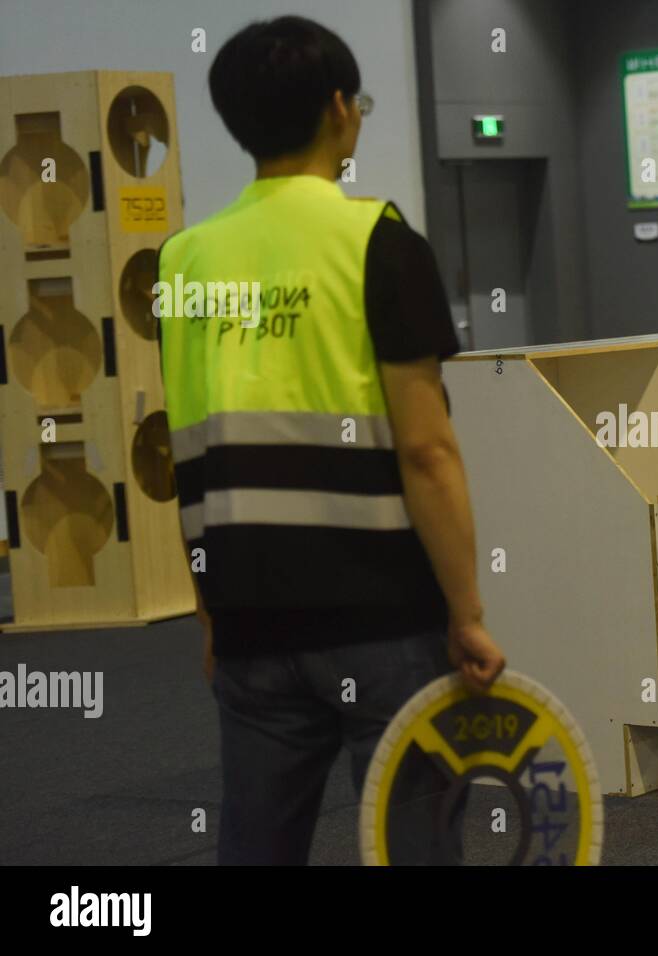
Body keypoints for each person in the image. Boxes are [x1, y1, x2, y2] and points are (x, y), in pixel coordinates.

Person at [157, 15, 506, 864]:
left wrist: (209, 610)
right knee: (415, 841)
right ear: (340, 109)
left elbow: (188, 452)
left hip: (249, 617)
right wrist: (467, 613)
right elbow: (427, 451)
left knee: (256, 846)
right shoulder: (378, 243)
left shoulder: (185, 261)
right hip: (383, 615)